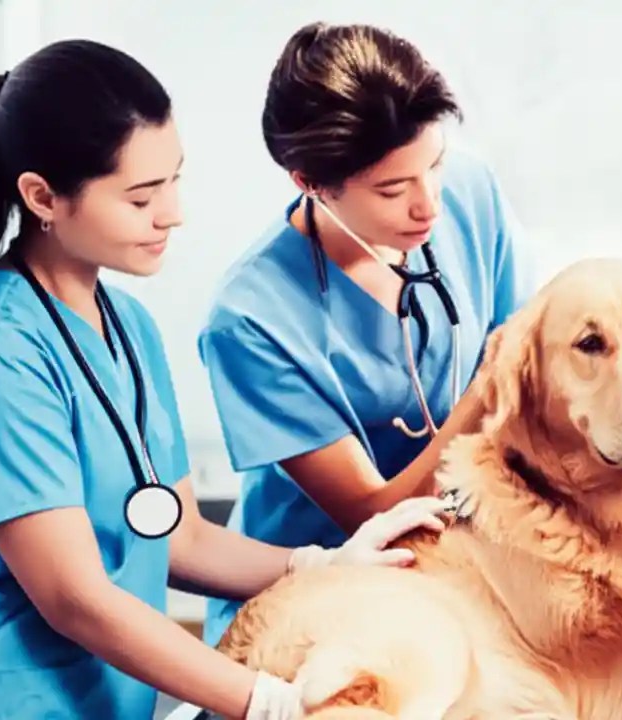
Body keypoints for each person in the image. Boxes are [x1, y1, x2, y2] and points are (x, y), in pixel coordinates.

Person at [0, 39, 452, 720]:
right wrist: (264, 701)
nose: (172, 213)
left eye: (174, 180)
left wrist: (319, 567)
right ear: (42, 197)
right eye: (142, 196)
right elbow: (75, 600)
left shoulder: (129, 328)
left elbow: (180, 539)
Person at [196, 22, 536, 647]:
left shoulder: (471, 193)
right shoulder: (252, 317)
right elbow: (375, 516)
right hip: (319, 598)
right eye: (391, 188)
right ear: (309, 182)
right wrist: (492, 383)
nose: (429, 204)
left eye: (434, 163)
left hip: (465, 578)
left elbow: (540, 366)